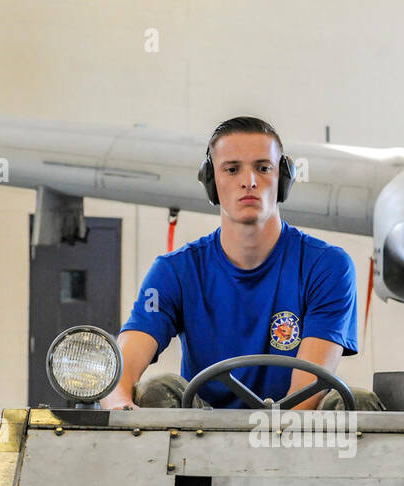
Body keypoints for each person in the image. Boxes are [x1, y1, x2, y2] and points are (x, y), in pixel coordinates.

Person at [101, 116, 382, 411]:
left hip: (297, 433)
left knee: (357, 404)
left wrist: (267, 451)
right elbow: (125, 363)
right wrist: (119, 405)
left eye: (263, 168)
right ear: (211, 181)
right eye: (232, 169)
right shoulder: (175, 271)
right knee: (157, 391)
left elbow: (306, 392)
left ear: (283, 178)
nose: (249, 181)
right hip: (199, 436)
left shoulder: (327, 267)